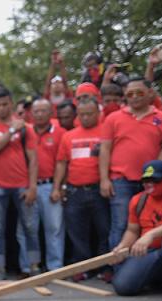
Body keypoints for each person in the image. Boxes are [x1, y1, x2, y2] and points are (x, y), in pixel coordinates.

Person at [99, 76, 162, 249]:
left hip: (152, 180)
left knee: (152, 223)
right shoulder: (113, 118)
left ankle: (147, 268)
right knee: (120, 225)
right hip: (120, 180)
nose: (134, 96)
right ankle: (119, 271)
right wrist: (104, 179)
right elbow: (105, 149)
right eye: (130, 93)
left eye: (139, 92)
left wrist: (158, 172)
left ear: (150, 93)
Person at [0, 87, 41, 280]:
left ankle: (34, 266)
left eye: (5, 104)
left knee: (29, 227)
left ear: (11, 104)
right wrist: (12, 130)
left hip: (22, 185)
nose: (2, 108)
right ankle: (0, 269)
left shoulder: (27, 129)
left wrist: (32, 187)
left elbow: (33, 159)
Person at [110, 160, 162, 301]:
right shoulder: (137, 200)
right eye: (146, 180)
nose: (149, 184)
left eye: (155, 180)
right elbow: (132, 231)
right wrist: (122, 247)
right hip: (150, 252)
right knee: (123, 286)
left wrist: (151, 234)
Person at [54, 98, 110, 275]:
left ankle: (105, 267)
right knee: (77, 232)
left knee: (104, 229)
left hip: (98, 189)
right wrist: (57, 187)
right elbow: (62, 163)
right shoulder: (68, 136)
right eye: (82, 114)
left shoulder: (106, 133)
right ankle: (82, 268)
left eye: (89, 114)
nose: (85, 118)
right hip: (74, 190)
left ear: (98, 113)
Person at [28, 98, 65, 271]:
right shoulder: (26, 132)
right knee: (29, 229)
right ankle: (30, 267)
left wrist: (57, 187)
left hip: (50, 186)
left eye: (44, 111)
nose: (40, 114)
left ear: (51, 113)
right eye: (36, 111)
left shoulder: (60, 133)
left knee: (54, 229)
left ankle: (55, 267)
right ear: (31, 113)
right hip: (29, 187)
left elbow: (62, 162)